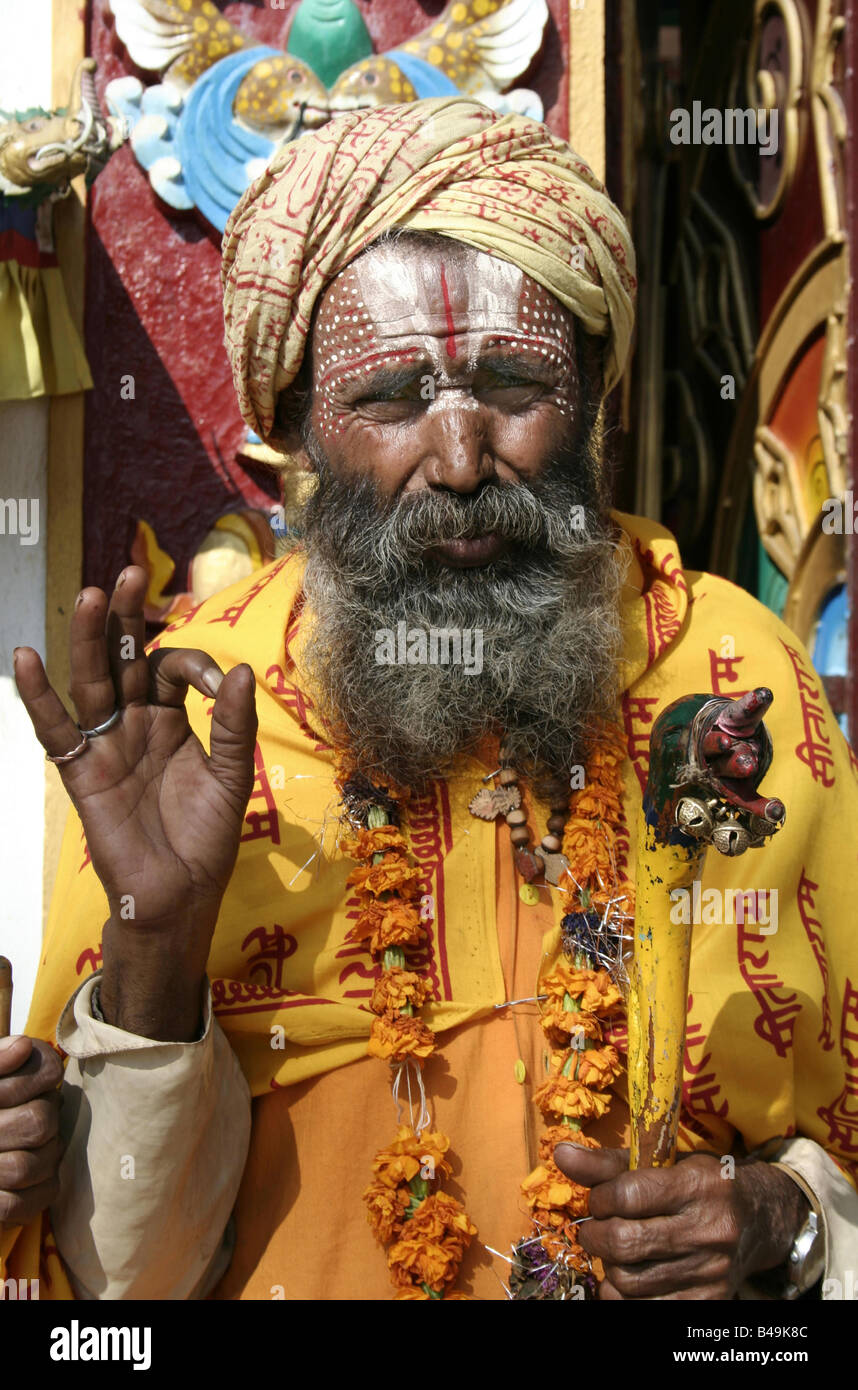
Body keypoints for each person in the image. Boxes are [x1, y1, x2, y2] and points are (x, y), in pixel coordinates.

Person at [2, 97, 857, 1302]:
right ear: (296, 423)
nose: (459, 462)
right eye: (391, 401)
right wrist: (158, 947)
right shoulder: (192, 716)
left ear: (599, 390)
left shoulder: (733, 684)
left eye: (513, 384)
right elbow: (119, 1288)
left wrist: (793, 1222)